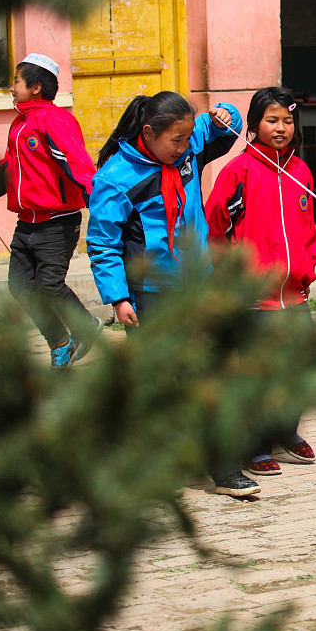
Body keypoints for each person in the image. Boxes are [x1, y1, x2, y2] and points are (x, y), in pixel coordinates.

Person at [86, 91, 256, 498]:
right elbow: (103, 243)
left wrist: (223, 113)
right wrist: (118, 297)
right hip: (150, 295)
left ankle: (224, 467)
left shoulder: (187, 144)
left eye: (186, 140)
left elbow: (224, 127)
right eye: (175, 141)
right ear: (148, 132)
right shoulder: (116, 178)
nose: (184, 148)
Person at [205, 87, 316, 478]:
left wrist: (308, 268)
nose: (281, 128)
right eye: (272, 120)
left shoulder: (300, 170)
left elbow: (307, 230)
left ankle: (285, 431)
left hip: (294, 295)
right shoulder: (238, 171)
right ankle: (252, 447)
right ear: (254, 125)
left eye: (288, 121)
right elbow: (215, 227)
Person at [0, 53, 101, 367]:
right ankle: (60, 341)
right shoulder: (20, 123)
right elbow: (11, 165)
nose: (12, 87)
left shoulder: (54, 119)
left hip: (57, 222)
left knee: (48, 286)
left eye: (16, 81)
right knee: (20, 287)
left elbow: (76, 162)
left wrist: (95, 197)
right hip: (27, 223)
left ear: (35, 87)